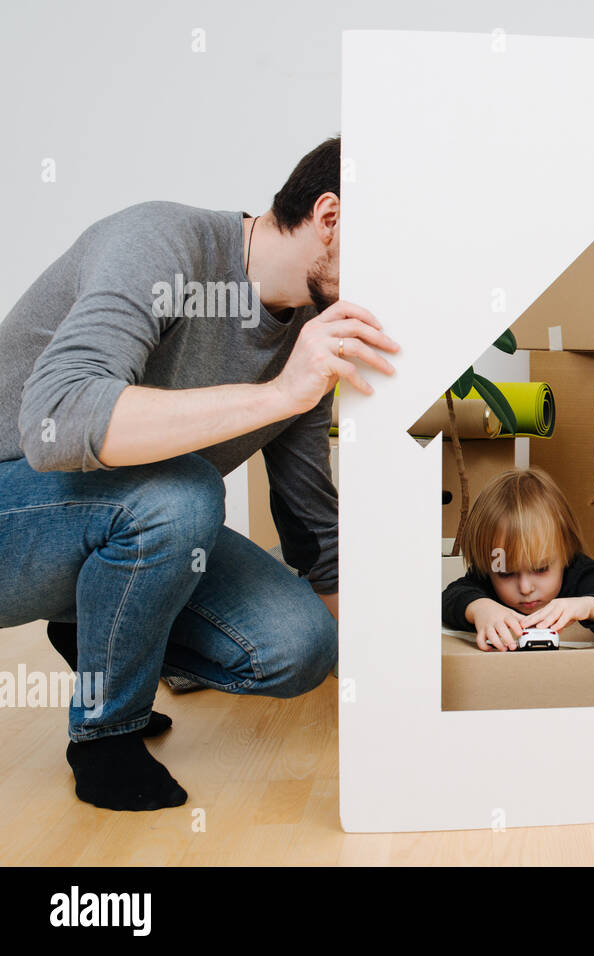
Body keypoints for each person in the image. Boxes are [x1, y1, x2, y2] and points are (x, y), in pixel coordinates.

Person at [0, 136, 400, 811]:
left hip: (124, 520)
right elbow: (58, 421)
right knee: (183, 490)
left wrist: (373, 686)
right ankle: (106, 735)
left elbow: (312, 528)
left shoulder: (308, 333)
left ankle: (93, 627)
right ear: (331, 218)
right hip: (17, 512)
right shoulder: (161, 241)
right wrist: (280, 395)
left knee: (299, 647)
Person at [443, 469, 594, 651]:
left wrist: (589, 606)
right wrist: (478, 608)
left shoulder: (580, 572)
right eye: (505, 573)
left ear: (566, 551)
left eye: (540, 569)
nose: (525, 588)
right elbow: (448, 599)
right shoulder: (485, 580)